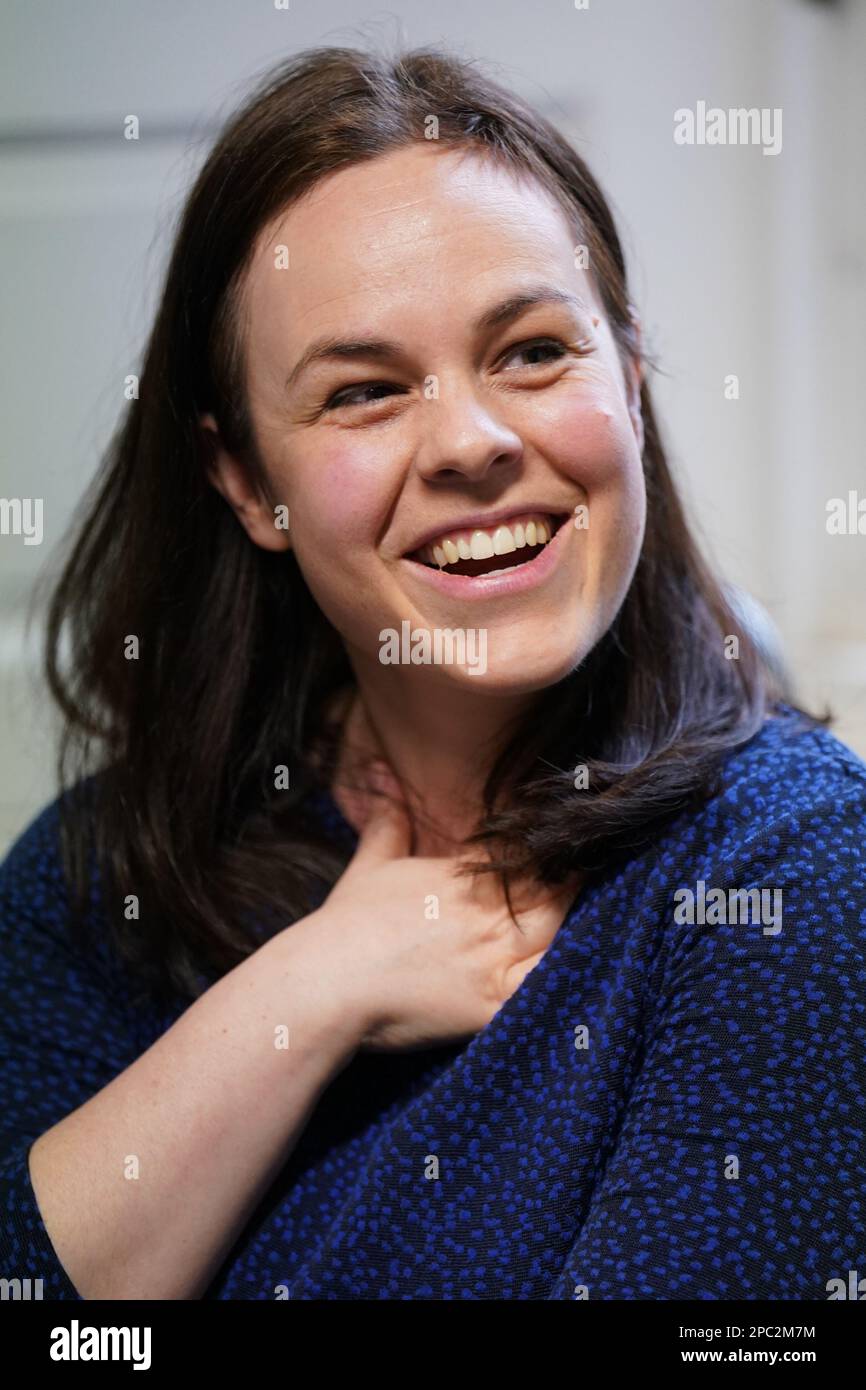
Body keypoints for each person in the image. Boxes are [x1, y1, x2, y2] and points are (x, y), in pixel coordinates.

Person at [1, 44, 864, 1301]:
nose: (468, 442)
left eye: (529, 351)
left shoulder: (792, 873)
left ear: (627, 376)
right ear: (246, 482)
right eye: (362, 390)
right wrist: (312, 988)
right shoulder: (106, 872)